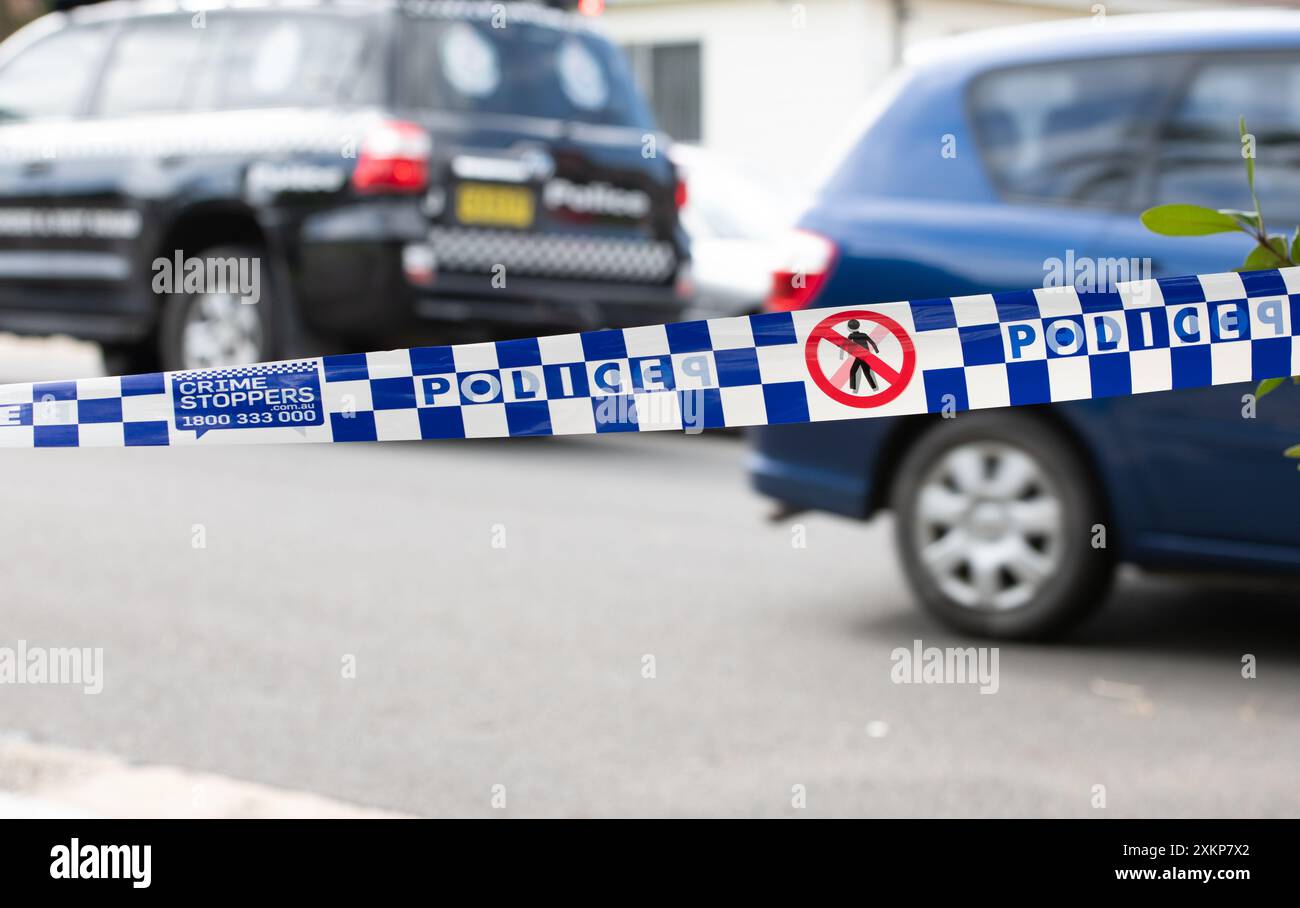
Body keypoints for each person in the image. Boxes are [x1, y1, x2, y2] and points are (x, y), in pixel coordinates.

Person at [844, 319, 879, 392]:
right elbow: (872, 342)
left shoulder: (851, 335)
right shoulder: (864, 334)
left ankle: (853, 388)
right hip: (866, 355)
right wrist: (876, 351)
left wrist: (849, 352)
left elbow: (847, 344)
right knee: (866, 372)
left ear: (850, 328)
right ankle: (874, 387)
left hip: (860, 355)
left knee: (853, 370)